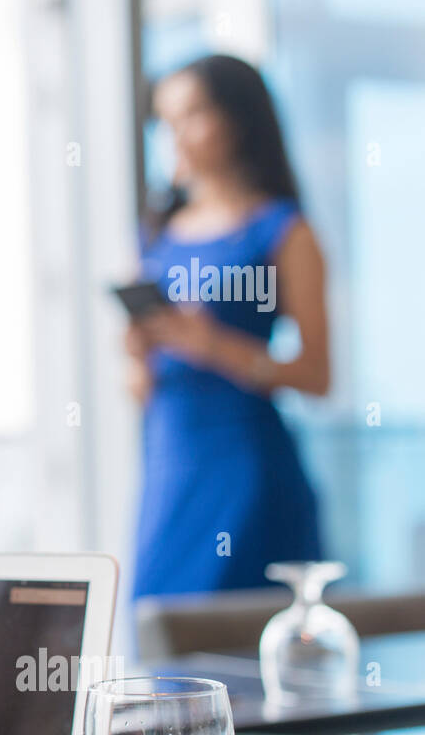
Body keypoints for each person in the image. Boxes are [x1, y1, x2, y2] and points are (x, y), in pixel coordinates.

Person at [126, 54, 330, 600]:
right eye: (167, 122)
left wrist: (213, 345)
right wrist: (138, 352)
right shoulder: (158, 232)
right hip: (170, 458)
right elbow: (138, 387)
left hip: (246, 464)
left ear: (237, 119)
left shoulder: (284, 231)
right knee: (157, 622)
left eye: (192, 116)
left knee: (238, 643)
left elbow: (317, 375)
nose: (177, 137)